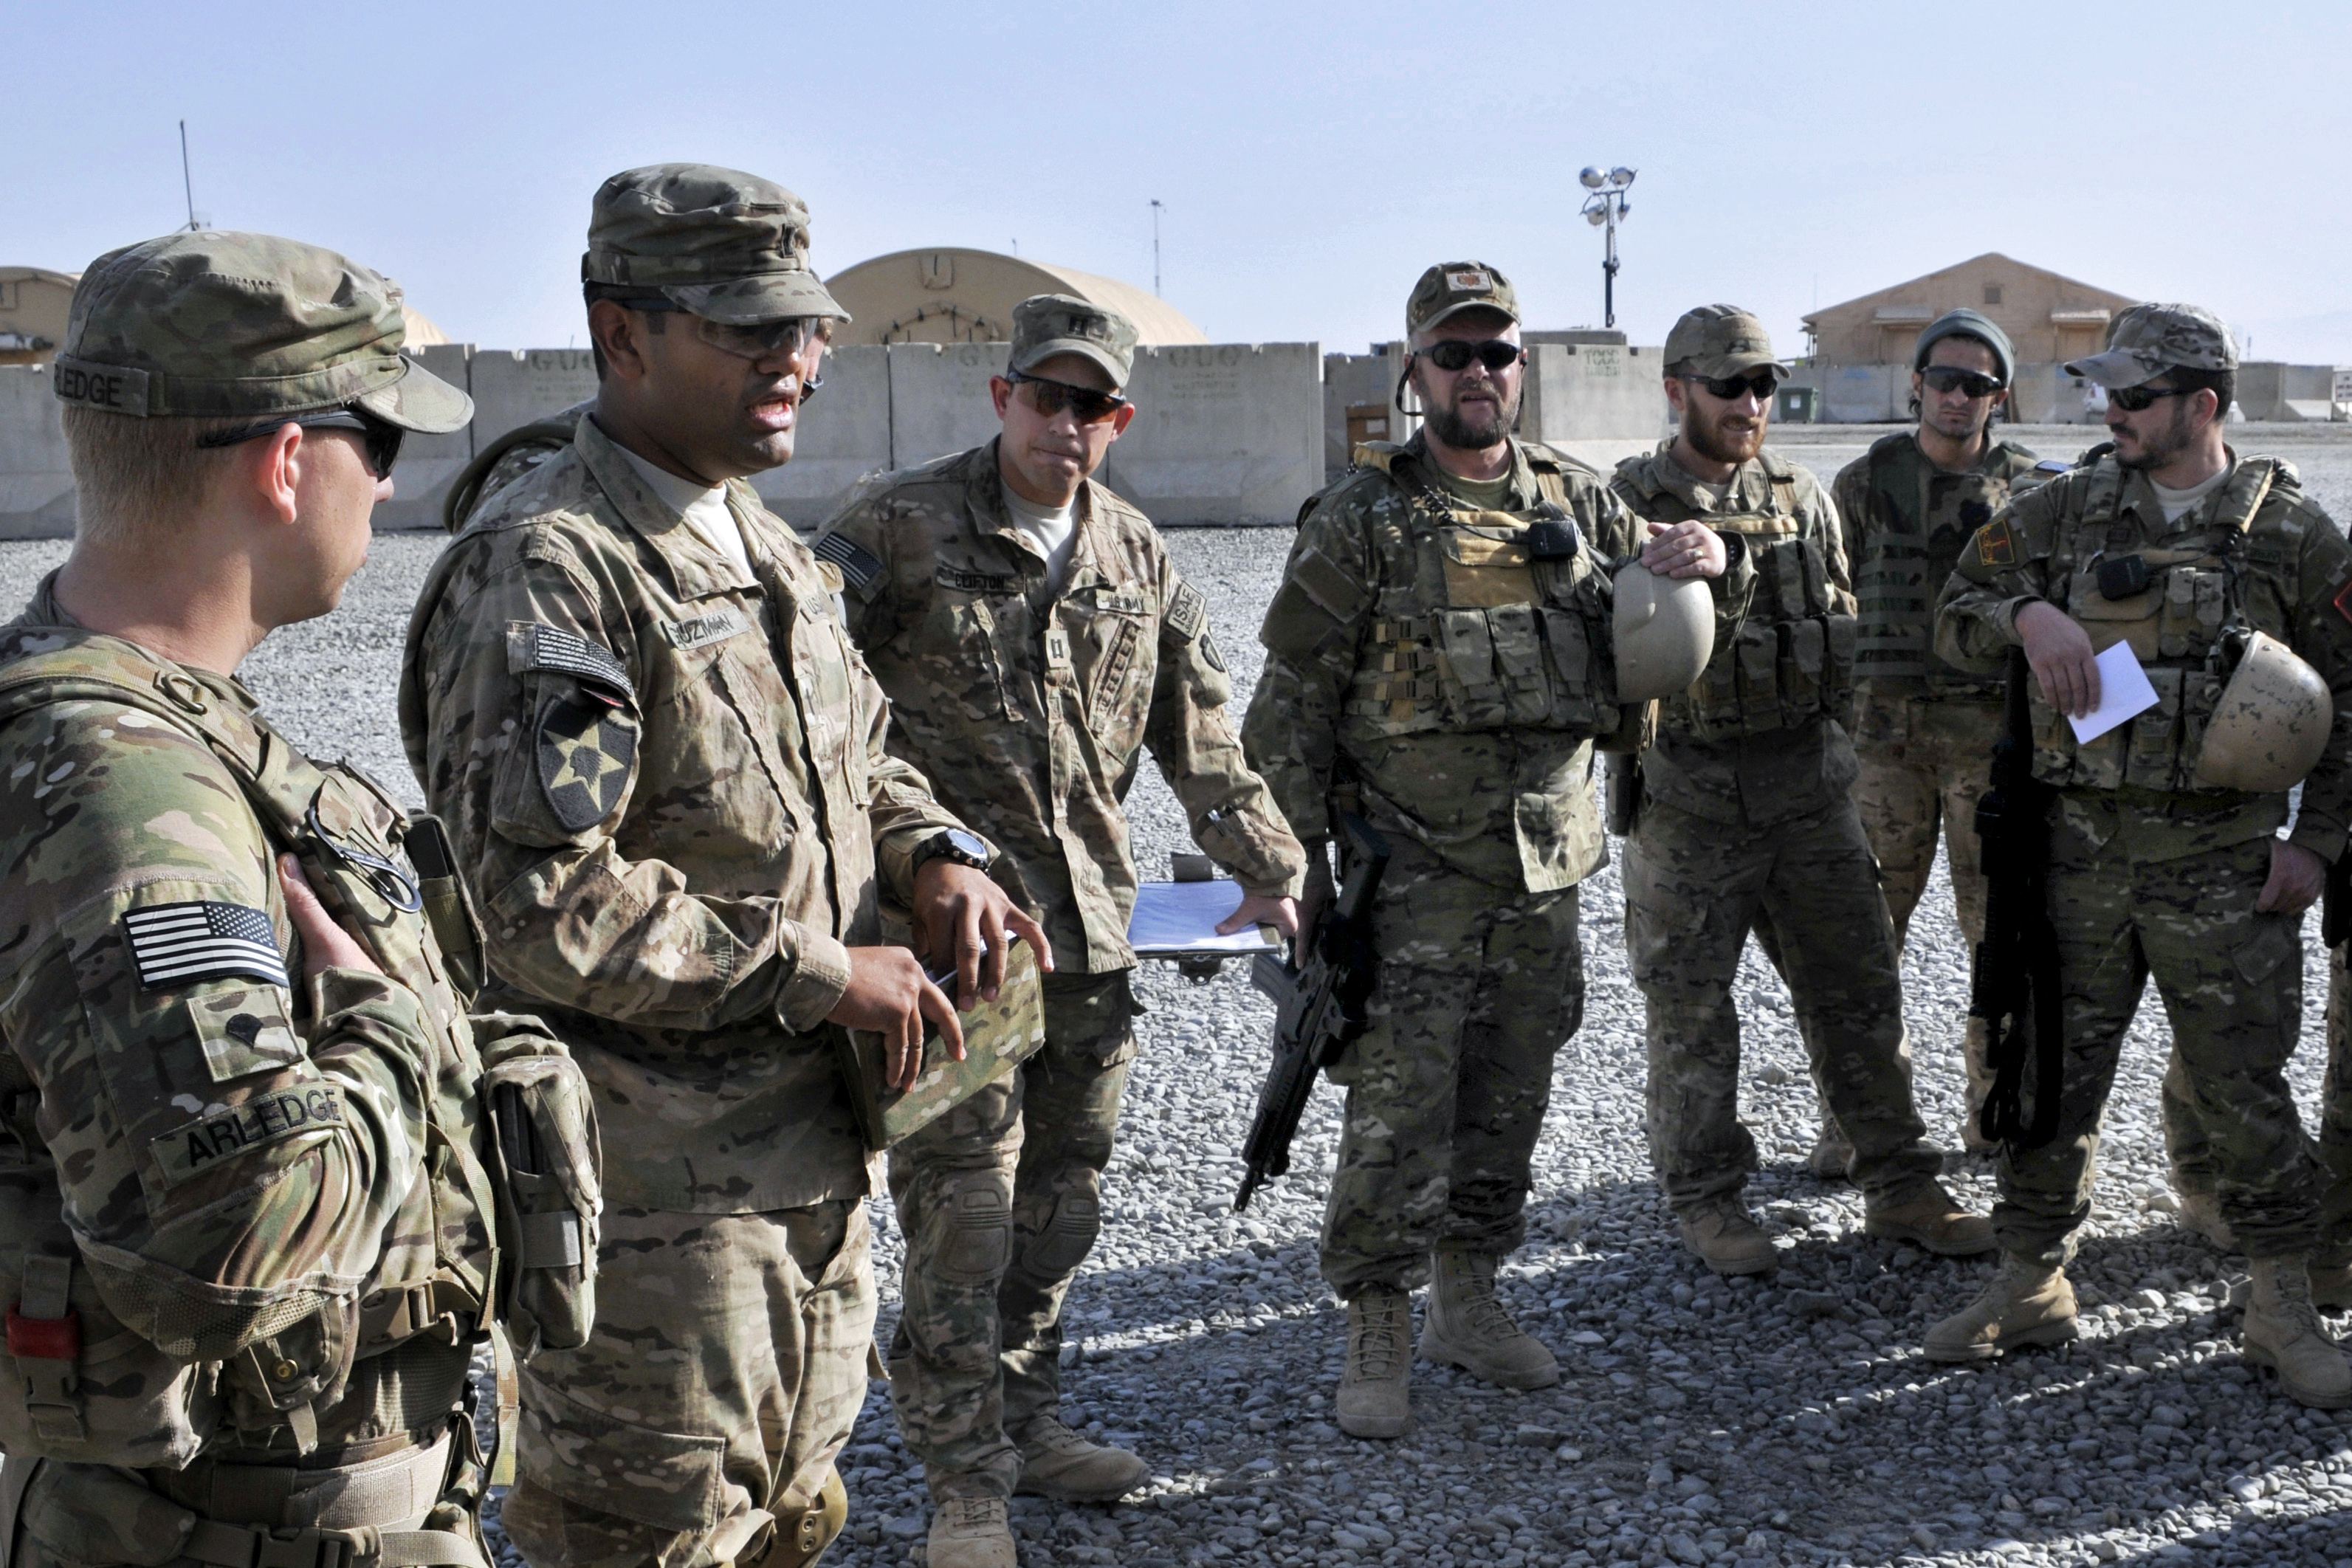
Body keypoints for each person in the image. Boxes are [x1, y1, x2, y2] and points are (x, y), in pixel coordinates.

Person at [402, 165, 1047, 1568]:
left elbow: (859, 756)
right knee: (656, 1538)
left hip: (810, 1166)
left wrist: (935, 849)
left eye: (807, 329)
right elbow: (538, 904)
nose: (797, 362)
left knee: (789, 1515)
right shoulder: (551, 564)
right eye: (750, 330)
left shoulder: (759, 539)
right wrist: (820, 972)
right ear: (621, 332)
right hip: (654, 1211)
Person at [0, 233, 555, 1564]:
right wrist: (390, 1032)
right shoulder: (127, 790)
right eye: (382, 441)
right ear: (286, 461)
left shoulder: (156, 721)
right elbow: (229, 1242)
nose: (392, 484)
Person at [812, 294, 1306, 1568]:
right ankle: (962, 1480)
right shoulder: (896, 524)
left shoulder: (1135, 553)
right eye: (1046, 396)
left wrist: (1266, 867)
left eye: (1093, 405)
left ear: (1118, 420)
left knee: (1060, 1205)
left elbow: (1199, 727)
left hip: (1089, 939)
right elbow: (808, 706)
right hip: (954, 948)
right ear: (1003, 397)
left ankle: (1026, 1420)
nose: (1065, 423)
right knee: (965, 1215)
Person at [1240, 262, 1713, 1440]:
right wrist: (1295, 869)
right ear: (1415, 368)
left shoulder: (1582, 502)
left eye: (1495, 353)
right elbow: (1289, 707)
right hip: (1410, 874)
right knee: (1398, 1104)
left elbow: (1671, 625)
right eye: (1451, 354)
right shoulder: (1364, 515)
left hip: (1544, 871)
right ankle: (1376, 1313)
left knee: (1509, 1090)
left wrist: (1711, 564)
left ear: (1520, 367)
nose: (1476, 373)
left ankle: (1469, 1292)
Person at [1928, 303, 2352, 1407]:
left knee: (2242, 1089)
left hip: (2223, 865)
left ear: (2202, 406)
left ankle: (2280, 1306)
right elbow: (1955, 612)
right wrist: (2028, 617)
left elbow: (2350, 702)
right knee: (2047, 1075)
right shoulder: (2062, 509)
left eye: (2135, 396)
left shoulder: (2294, 535)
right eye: (2105, 393)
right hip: (2073, 857)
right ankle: (2030, 1279)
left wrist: (2316, 842)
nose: (2110, 411)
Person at [1603, 303, 1993, 1278]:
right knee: (1692, 1014)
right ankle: (1706, 1199)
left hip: (1809, 789)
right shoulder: (1626, 503)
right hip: (1690, 798)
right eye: (1727, 385)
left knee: (1858, 992)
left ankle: (1897, 1182)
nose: (1749, 403)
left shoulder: (1801, 495)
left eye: (1763, 385)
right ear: (1677, 390)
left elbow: (1845, 619)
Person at [1818, 309, 2063, 1171]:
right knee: (1863, 942)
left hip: (1989, 748)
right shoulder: (1863, 483)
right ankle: (1858, 1123)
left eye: (1979, 384)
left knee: (2001, 938)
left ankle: (1994, 1114)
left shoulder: (2034, 490)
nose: (1959, 397)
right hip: (1880, 749)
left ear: (2000, 395)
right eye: (1945, 380)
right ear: (1917, 384)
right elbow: (1831, 604)